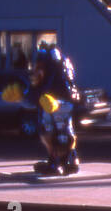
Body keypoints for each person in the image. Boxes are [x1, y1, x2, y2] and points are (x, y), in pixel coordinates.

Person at [24, 45, 80, 176]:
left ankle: (56, 163)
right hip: (62, 103)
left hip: (53, 103)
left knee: (51, 132)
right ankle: (70, 160)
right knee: (64, 131)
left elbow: (38, 90)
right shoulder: (63, 65)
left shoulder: (51, 69)